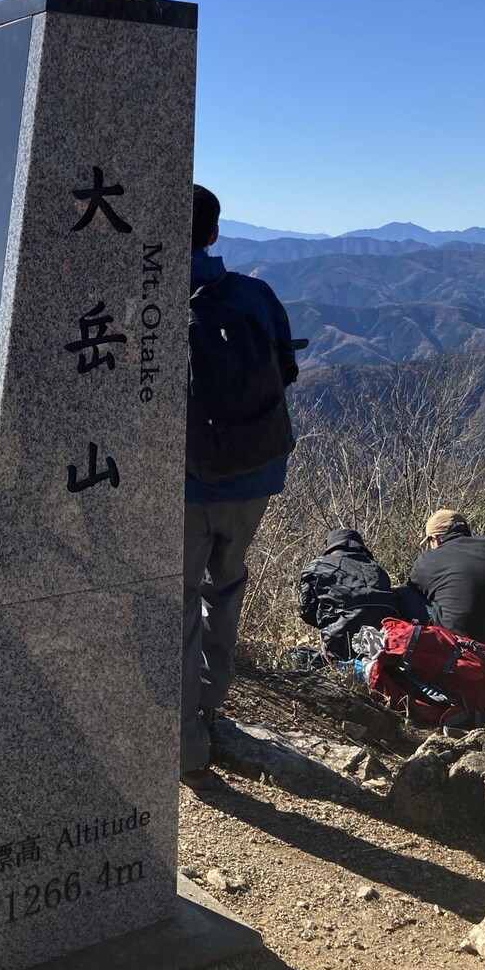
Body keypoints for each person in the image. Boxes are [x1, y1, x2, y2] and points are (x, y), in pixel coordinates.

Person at [181, 185, 299, 776]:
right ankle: (209, 700)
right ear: (214, 233)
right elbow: (285, 370)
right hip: (256, 475)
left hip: (185, 485)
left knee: (175, 601)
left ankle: (183, 742)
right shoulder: (255, 294)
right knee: (225, 587)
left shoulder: (150, 303)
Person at [404, 509, 485, 680]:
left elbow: (414, 594)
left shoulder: (428, 560)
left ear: (436, 539)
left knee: (405, 594)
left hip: (467, 664)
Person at [297, 528, 397, 660]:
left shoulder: (317, 566)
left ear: (330, 546)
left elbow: (306, 610)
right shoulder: (377, 569)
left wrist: (327, 619)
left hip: (340, 644)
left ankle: (334, 660)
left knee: (297, 655)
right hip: (382, 644)